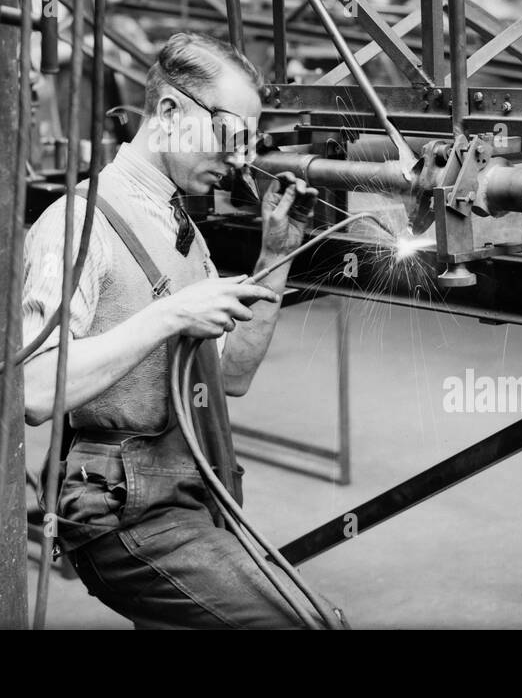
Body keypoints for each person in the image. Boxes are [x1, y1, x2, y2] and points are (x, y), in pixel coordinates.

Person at [20, 31, 344, 629]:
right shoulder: (77, 223)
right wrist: (170, 314)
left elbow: (233, 376)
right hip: (124, 510)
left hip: (192, 490)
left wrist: (276, 256)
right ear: (170, 112)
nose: (241, 157)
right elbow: (34, 391)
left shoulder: (179, 228)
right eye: (228, 132)